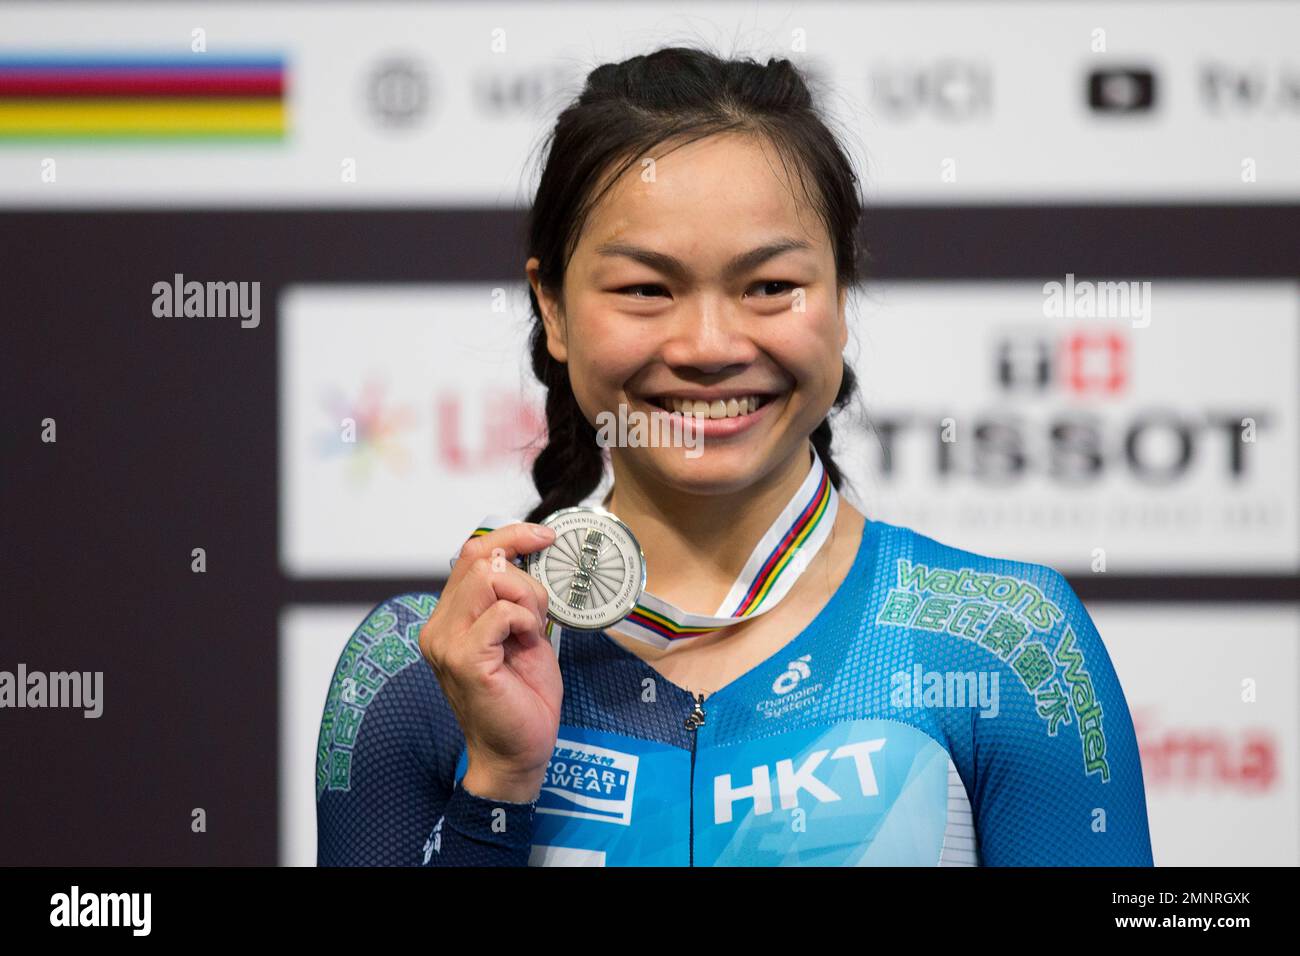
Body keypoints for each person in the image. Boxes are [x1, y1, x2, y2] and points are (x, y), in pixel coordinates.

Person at [315, 46, 1154, 866]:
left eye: (769, 287)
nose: (710, 346)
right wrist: (500, 785)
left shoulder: (1013, 649)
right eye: (645, 289)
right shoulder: (425, 670)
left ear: (840, 299)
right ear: (554, 309)